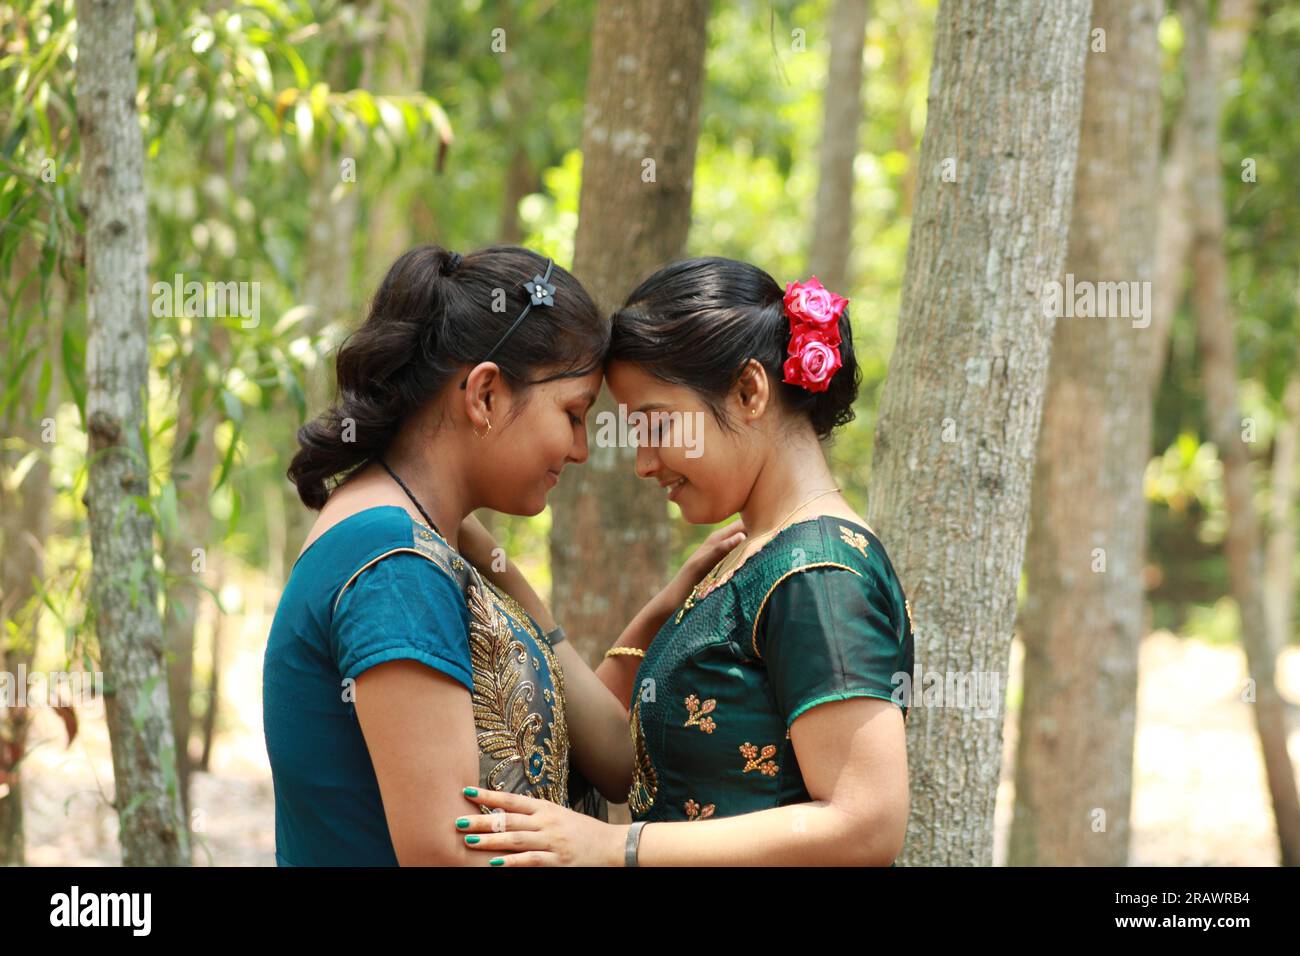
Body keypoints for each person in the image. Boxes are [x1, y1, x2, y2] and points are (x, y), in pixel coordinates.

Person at [263, 244, 739, 865]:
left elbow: (614, 762)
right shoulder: (395, 566)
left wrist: (659, 608)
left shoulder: (417, 539)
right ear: (485, 395)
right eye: (573, 414)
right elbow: (447, 852)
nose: (580, 449)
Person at [451, 256, 915, 866]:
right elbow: (618, 758)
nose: (644, 463)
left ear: (749, 392)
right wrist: (484, 551)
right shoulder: (752, 558)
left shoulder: (819, 573)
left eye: (656, 426)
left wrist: (615, 846)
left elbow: (868, 822)